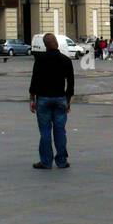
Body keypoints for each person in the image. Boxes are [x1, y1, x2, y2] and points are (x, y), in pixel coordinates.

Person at [28, 33, 74, 169]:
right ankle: (62, 161)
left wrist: (32, 99)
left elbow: (34, 80)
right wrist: (68, 100)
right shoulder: (66, 60)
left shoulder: (40, 60)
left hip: (43, 98)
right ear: (56, 43)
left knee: (45, 131)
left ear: (45, 45)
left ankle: (46, 161)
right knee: (60, 130)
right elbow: (70, 83)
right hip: (60, 98)